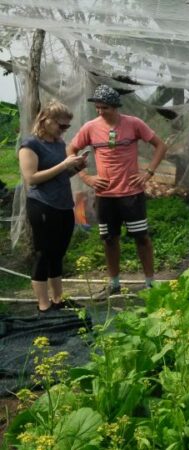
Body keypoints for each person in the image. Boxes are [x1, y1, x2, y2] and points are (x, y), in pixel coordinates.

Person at [68, 84, 167, 295]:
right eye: (97, 107)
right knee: (109, 239)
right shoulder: (90, 128)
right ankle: (114, 284)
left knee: (142, 237)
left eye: (105, 108)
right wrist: (86, 177)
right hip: (105, 195)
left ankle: (150, 282)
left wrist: (148, 172)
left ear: (115, 107)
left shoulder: (133, 124)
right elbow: (71, 149)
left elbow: (160, 145)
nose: (100, 111)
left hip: (132, 193)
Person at [18, 101, 86, 313]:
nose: (63, 130)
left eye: (66, 127)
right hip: (42, 204)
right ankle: (43, 304)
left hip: (64, 204)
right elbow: (32, 178)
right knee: (44, 253)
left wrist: (75, 168)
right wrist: (63, 164)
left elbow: (60, 175)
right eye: (61, 125)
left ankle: (58, 298)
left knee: (58, 253)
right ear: (45, 120)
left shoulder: (58, 144)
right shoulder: (30, 144)